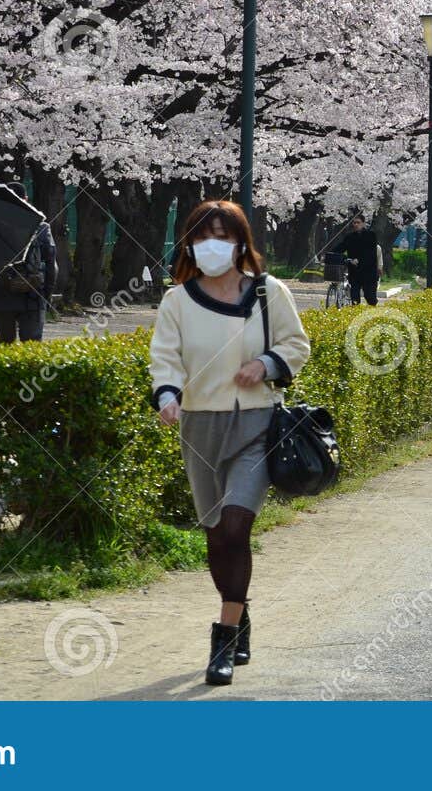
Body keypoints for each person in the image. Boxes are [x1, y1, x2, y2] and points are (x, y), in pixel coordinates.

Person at [150, 199, 312, 686]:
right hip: (200, 425)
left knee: (238, 524)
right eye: (201, 237)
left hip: (255, 425)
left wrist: (265, 364)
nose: (211, 245)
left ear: (241, 242)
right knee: (217, 534)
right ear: (189, 245)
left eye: (221, 235)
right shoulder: (176, 301)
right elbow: (166, 358)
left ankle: (221, 639)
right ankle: (239, 615)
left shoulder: (268, 293)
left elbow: (296, 345)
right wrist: (168, 396)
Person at [0, 184, 58, 343]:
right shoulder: (42, 227)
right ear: (26, 200)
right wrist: (46, 294)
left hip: (2, 294)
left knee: (6, 348)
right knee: (31, 349)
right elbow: (51, 264)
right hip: (33, 294)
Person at [331, 214, 381, 306]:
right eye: (354, 223)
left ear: (363, 223)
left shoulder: (371, 235)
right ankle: (354, 315)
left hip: (368, 271)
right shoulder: (349, 237)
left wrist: (359, 260)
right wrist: (329, 254)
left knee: (370, 297)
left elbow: (370, 253)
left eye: (358, 222)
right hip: (354, 272)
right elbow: (341, 247)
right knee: (354, 297)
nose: (356, 225)